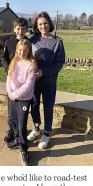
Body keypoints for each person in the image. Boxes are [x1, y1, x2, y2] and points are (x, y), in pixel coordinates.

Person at [28, 11, 65, 150]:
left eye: (45, 23)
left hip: (49, 82)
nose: (43, 26)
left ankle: (47, 133)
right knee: (35, 105)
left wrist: (44, 72)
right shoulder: (33, 40)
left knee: (48, 107)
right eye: (40, 24)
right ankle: (37, 128)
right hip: (34, 82)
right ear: (37, 26)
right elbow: (27, 55)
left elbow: (59, 63)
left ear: (49, 24)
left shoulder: (57, 42)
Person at [6, 39, 37, 166]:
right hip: (12, 97)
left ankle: (24, 149)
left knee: (22, 124)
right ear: (16, 50)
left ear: (29, 51)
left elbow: (28, 86)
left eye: (25, 50)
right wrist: (9, 92)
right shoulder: (14, 61)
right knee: (13, 120)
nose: (22, 52)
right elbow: (8, 77)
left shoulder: (31, 64)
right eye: (20, 50)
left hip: (23, 98)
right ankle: (18, 140)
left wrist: (14, 94)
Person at [2, 18, 30, 147]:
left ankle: (20, 132)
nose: (20, 31)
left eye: (23, 29)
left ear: (26, 30)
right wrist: (8, 69)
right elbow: (4, 58)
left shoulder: (29, 43)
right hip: (11, 81)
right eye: (18, 28)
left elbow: (32, 58)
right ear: (14, 29)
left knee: (21, 111)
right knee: (11, 109)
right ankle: (11, 131)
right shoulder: (9, 42)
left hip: (24, 82)